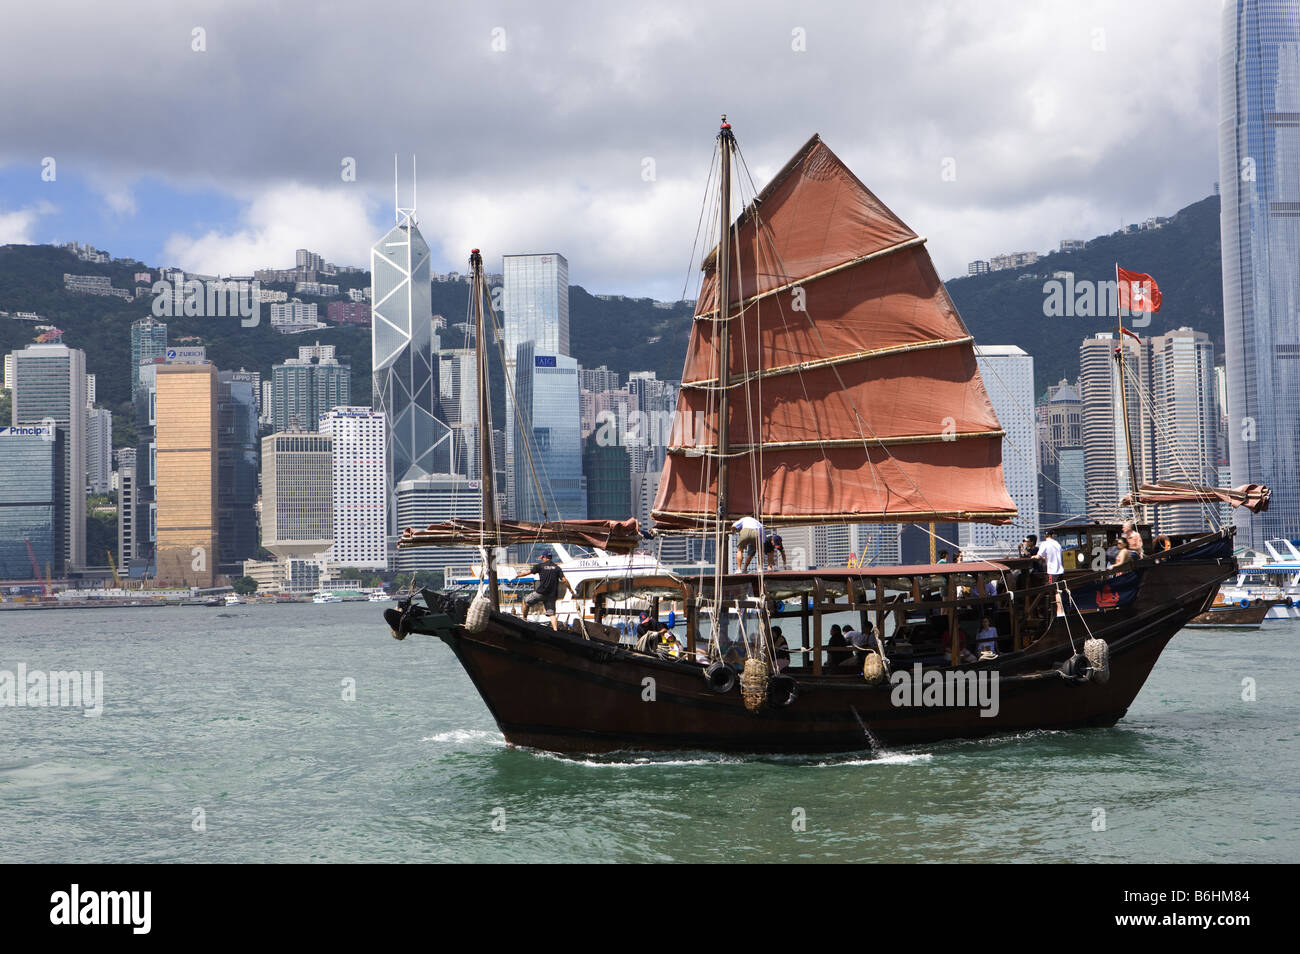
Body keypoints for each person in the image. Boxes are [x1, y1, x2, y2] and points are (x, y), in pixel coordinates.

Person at [522, 552, 569, 631]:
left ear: (545, 557)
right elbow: (564, 580)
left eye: (542, 558)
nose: (542, 559)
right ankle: (555, 630)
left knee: (525, 601)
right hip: (551, 595)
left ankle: (524, 619)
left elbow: (528, 572)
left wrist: (518, 575)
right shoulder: (557, 568)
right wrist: (570, 589)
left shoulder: (540, 566)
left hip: (541, 593)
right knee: (552, 614)